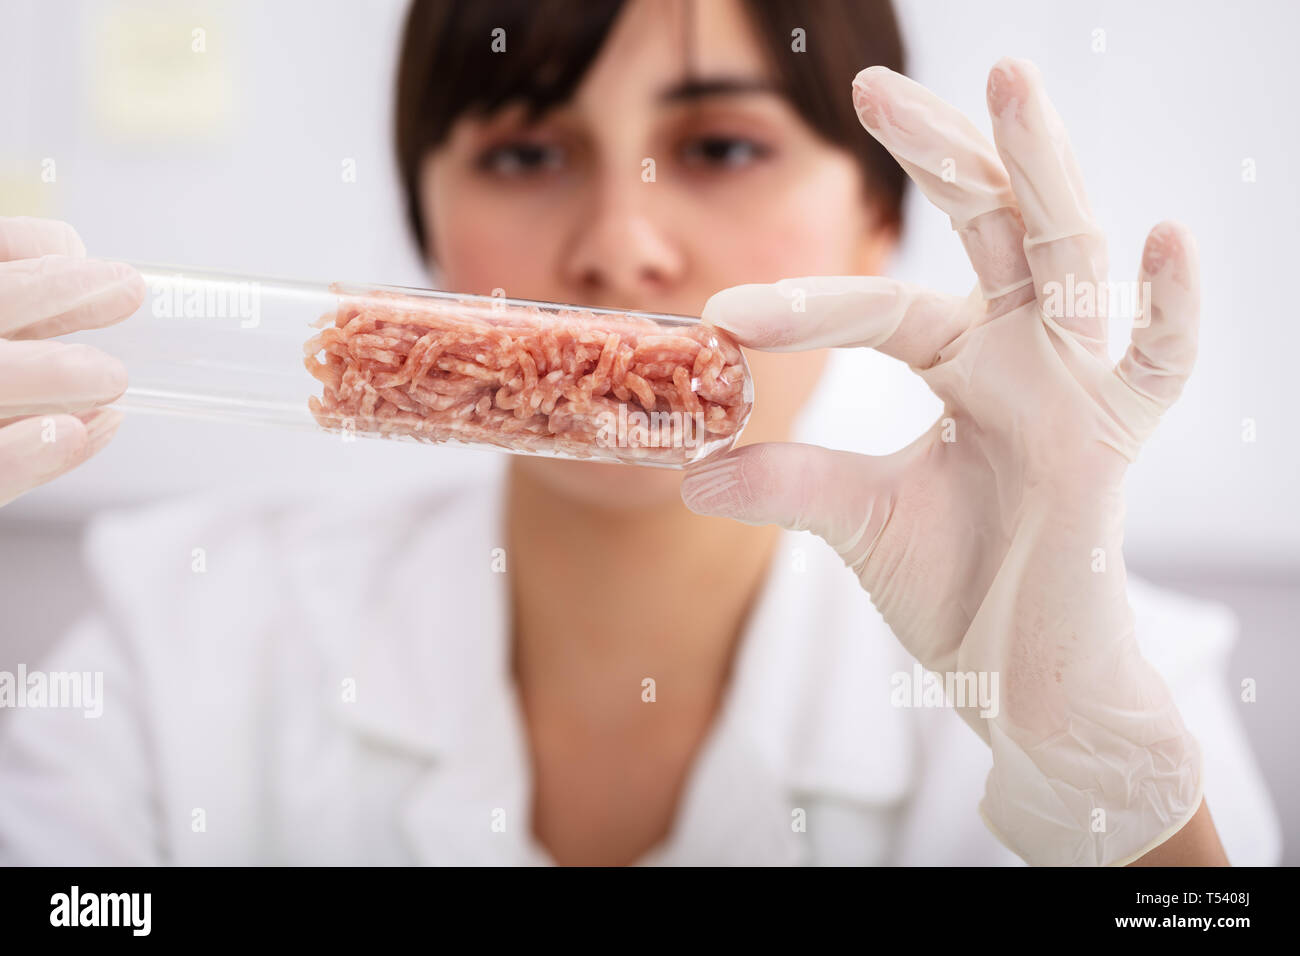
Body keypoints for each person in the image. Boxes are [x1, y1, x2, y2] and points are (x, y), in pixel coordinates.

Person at [0, 0, 1281, 866]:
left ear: (875, 225)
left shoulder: (1115, 680)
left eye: (720, 145)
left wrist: (1125, 822)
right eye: (523, 154)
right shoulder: (179, 638)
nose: (621, 242)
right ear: (426, 229)